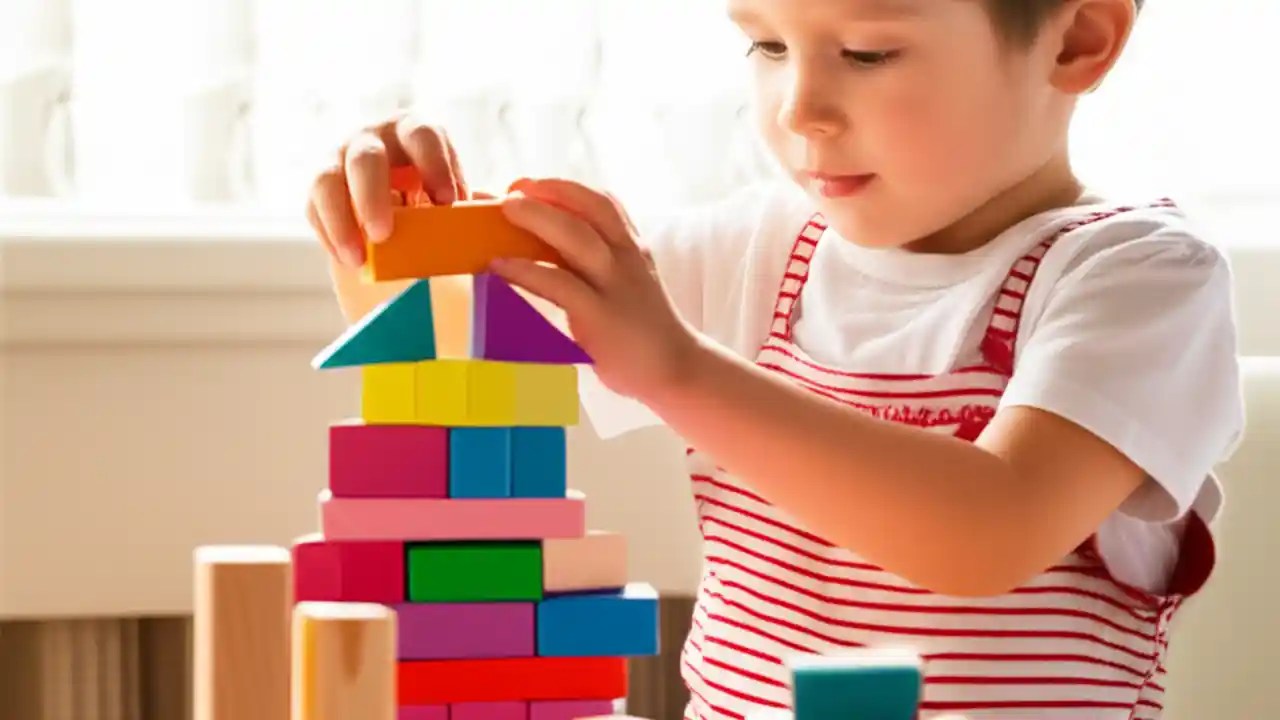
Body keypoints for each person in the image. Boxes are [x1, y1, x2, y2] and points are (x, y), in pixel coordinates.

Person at [306, 0, 1245, 717]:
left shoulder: (1137, 278)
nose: (801, 109)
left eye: (869, 52)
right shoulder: (751, 249)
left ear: (1077, 38)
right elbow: (448, 341)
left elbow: (987, 529)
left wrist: (678, 370)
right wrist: (395, 235)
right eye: (765, 44)